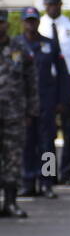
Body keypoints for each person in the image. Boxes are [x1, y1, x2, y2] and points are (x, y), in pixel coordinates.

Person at [38, 0, 70, 185]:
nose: (52, 7)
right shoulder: (38, 26)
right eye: (49, 4)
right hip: (47, 83)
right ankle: (48, 174)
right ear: (45, 5)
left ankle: (66, 174)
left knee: (69, 131)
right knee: (47, 134)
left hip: (68, 81)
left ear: (61, 4)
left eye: (56, 3)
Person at [18, 7, 66, 200]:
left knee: (47, 145)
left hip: (46, 101)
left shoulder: (49, 44)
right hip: (23, 104)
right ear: (22, 22)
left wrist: (62, 100)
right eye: (28, 20)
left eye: (34, 20)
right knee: (26, 144)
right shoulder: (16, 45)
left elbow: (62, 73)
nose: (31, 24)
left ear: (38, 22)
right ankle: (27, 181)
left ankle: (47, 183)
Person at [0, 15, 37, 218]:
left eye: (1, 22)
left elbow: (32, 81)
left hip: (14, 113)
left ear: (7, 24)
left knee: (13, 159)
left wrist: (32, 109)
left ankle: (11, 202)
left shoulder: (19, 48)